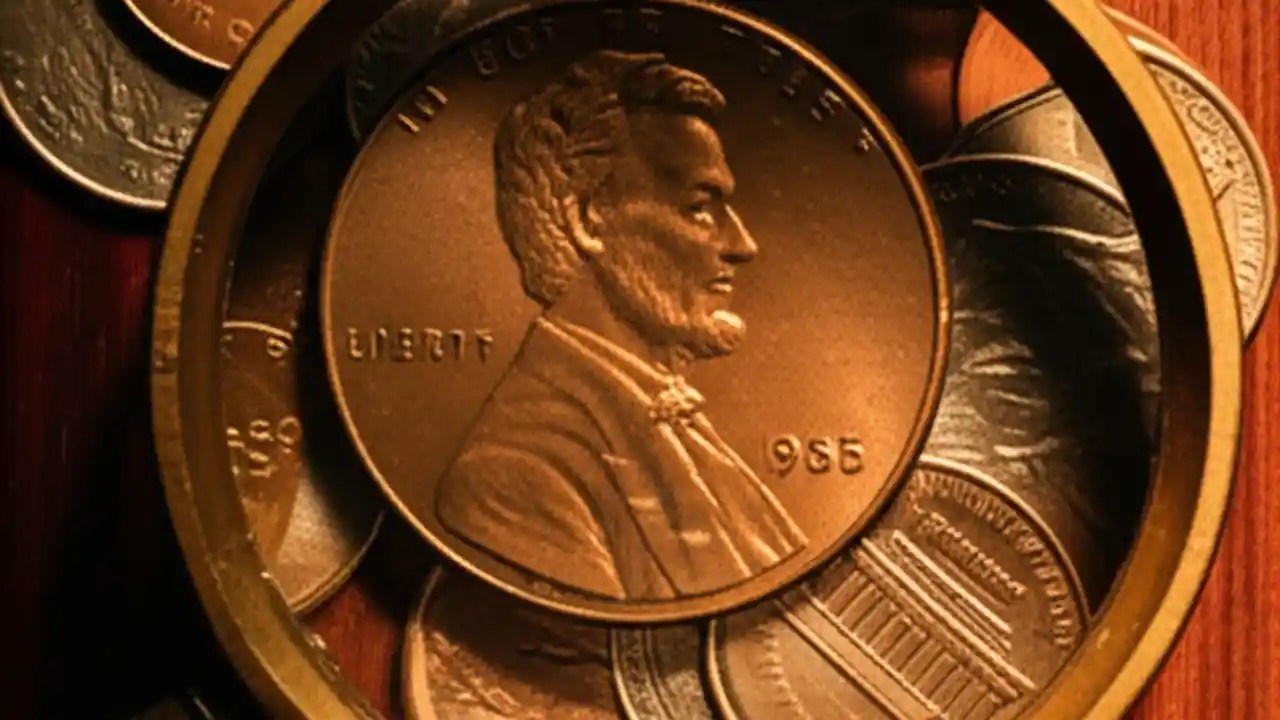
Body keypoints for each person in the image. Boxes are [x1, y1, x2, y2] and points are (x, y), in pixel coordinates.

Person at [436, 50, 806, 601]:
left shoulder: (675, 422)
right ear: (586, 218)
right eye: (700, 208)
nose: (742, 245)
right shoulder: (512, 474)